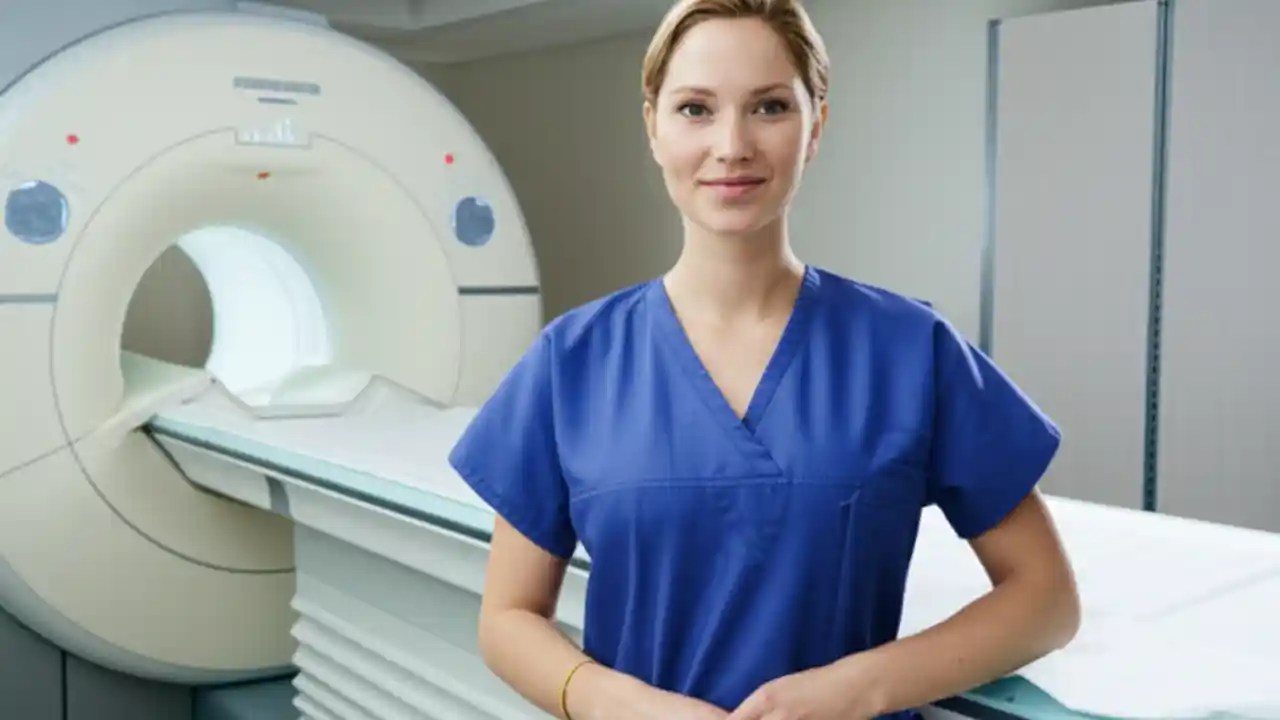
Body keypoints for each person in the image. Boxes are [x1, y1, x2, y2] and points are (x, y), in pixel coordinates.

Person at [447, 0, 1081, 717]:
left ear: (817, 126)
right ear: (652, 125)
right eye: (695, 109)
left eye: (770, 106)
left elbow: (1046, 599)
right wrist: (614, 703)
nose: (732, 144)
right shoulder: (573, 361)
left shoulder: (909, 351)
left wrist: (857, 688)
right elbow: (507, 619)